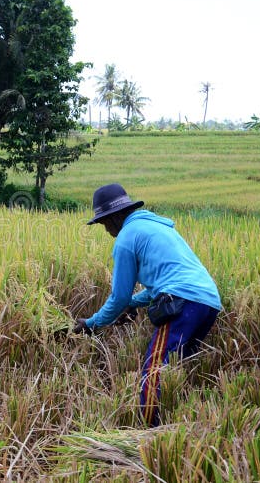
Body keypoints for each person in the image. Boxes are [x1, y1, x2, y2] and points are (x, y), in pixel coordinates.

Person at [73, 183, 221, 427]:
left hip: (182, 302)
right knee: (177, 367)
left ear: (115, 217)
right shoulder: (156, 227)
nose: (107, 231)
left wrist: (91, 324)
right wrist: (132, 304)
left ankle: (148, 432)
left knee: (154, 368)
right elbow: (159, 286)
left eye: (104, 224)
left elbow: (118, 297)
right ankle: (182, 424)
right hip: (208, 302)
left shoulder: (126, 238)